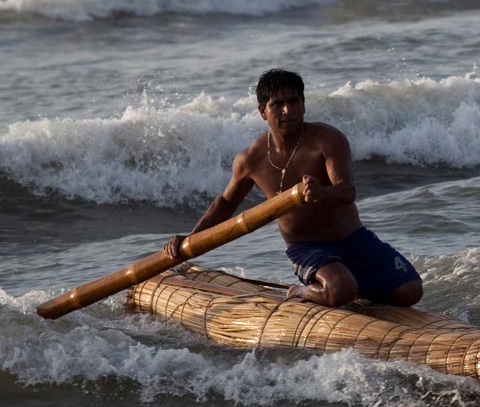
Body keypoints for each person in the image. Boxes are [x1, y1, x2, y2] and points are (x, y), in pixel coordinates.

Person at [164, 69, 423, 307]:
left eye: (294, 101)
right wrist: (189, 241)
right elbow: (225, 204)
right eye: (278, 104)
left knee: (411, 291)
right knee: (340, 289)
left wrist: (322, 193)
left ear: (303, 104)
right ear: (262, 112)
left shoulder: (327, 140)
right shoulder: (251, 159)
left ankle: (354, 284)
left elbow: (347, 192)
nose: (288, 110)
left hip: (354, 238)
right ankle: (301, 291)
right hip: (307, 248)